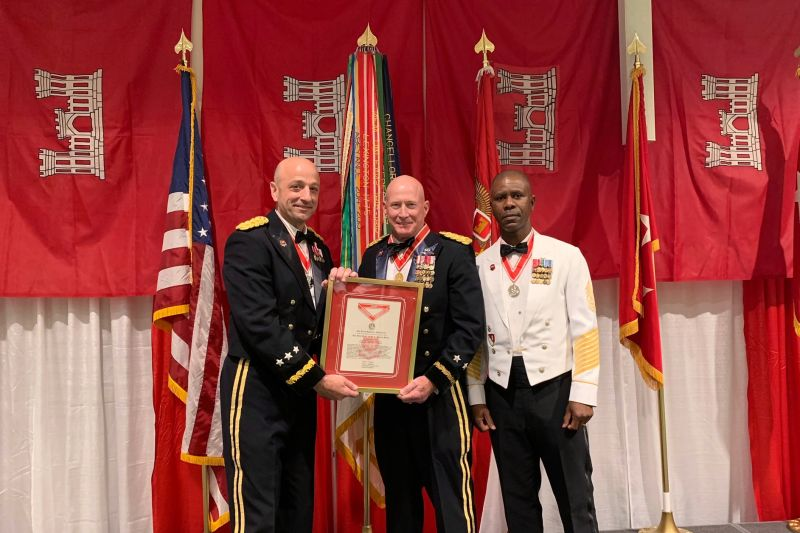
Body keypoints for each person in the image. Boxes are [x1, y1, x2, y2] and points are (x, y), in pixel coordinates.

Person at [220, 156, 358, 533]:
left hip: (298, 392)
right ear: (274, 190)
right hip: (257, 389)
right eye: (296, 187)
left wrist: (341, 295)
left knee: (298, 503)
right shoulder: (249, 241)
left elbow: (314, 323)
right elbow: (260, 325)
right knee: (258, 506)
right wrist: (316, 378)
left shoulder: (316, 248)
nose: (306, 196)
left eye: (313, 188)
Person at [467, 170, 600, 533]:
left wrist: (584, 393)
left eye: (517, 196)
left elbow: (585, 329)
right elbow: (476, 336)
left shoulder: (567, 256)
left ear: (532, 202)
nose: (509, 204)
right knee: (518, 497)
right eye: (500, 198)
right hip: (501, 394)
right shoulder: (478, 265)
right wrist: (476, 395)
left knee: (574, 494)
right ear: (490, 206)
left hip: (556, 391)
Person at [356, 174, 485, 533]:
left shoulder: (454, 253)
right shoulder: (373, 255)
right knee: (400, 501)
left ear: (425, 208)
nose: (402, 213)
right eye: (395, 205)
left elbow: (470, 328)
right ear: (384, 209)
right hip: (389, 398)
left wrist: (434, 379)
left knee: (451, 499)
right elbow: (363, 322)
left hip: (439, 395)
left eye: (410, 205)